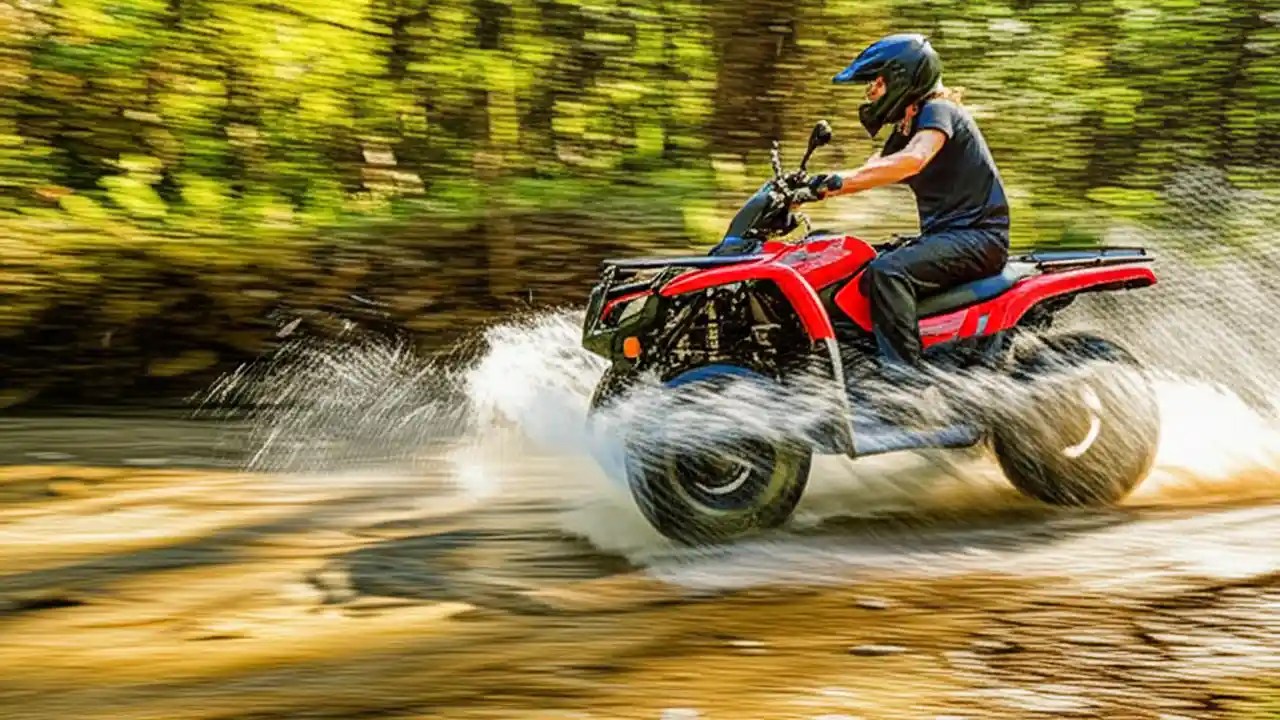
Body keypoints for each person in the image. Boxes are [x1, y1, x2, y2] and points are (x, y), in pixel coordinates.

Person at [793, 33, 1010, 381]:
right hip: (951, 238)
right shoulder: (908, 126)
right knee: (843, 258)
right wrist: (805, 190)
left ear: (901, 79)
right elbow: (871, 169)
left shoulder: (939, 110)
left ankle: (904, 386)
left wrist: (835, 181)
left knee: (888, 272)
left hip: (978, 239)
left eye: (876, 82)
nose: (870, 92)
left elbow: (913, 159)